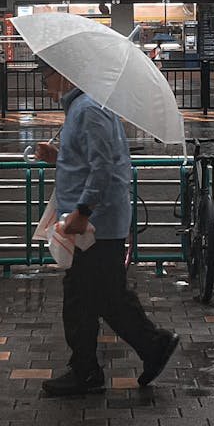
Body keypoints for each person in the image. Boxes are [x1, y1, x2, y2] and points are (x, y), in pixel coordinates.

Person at [35, 61, 180, 396]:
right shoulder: (83, 108)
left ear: (65, 74)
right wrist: (57, 158)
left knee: (93, 297)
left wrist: (83, 211)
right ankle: (94, 366)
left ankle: (139, 349)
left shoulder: (88, 110)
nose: (44, 83)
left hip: (95, 225)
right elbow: (89, 162)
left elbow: (105, 168)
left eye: (46, 74)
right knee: (94, 297)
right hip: (93, 222)